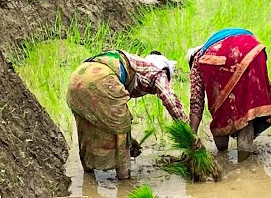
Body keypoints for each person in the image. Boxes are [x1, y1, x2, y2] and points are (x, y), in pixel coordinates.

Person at [66, 49, 185, 180]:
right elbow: (170, 99)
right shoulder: (157, 72)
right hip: (102, 79)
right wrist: (188, 132)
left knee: (86, 127)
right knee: (122, 123)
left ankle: (88, 176)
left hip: (77, 78)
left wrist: (130, 140)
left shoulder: (133, 63)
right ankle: (124, 178)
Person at [187, 28, 271, 161]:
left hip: (219, 56)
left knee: (220, 114)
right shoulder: (217, 41)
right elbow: (266, 85)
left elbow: (196, 102)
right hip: (254, 50)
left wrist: (191, 134)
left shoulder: (198, 59)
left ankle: (223, 156)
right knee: (247, 114)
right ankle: (245, 165)